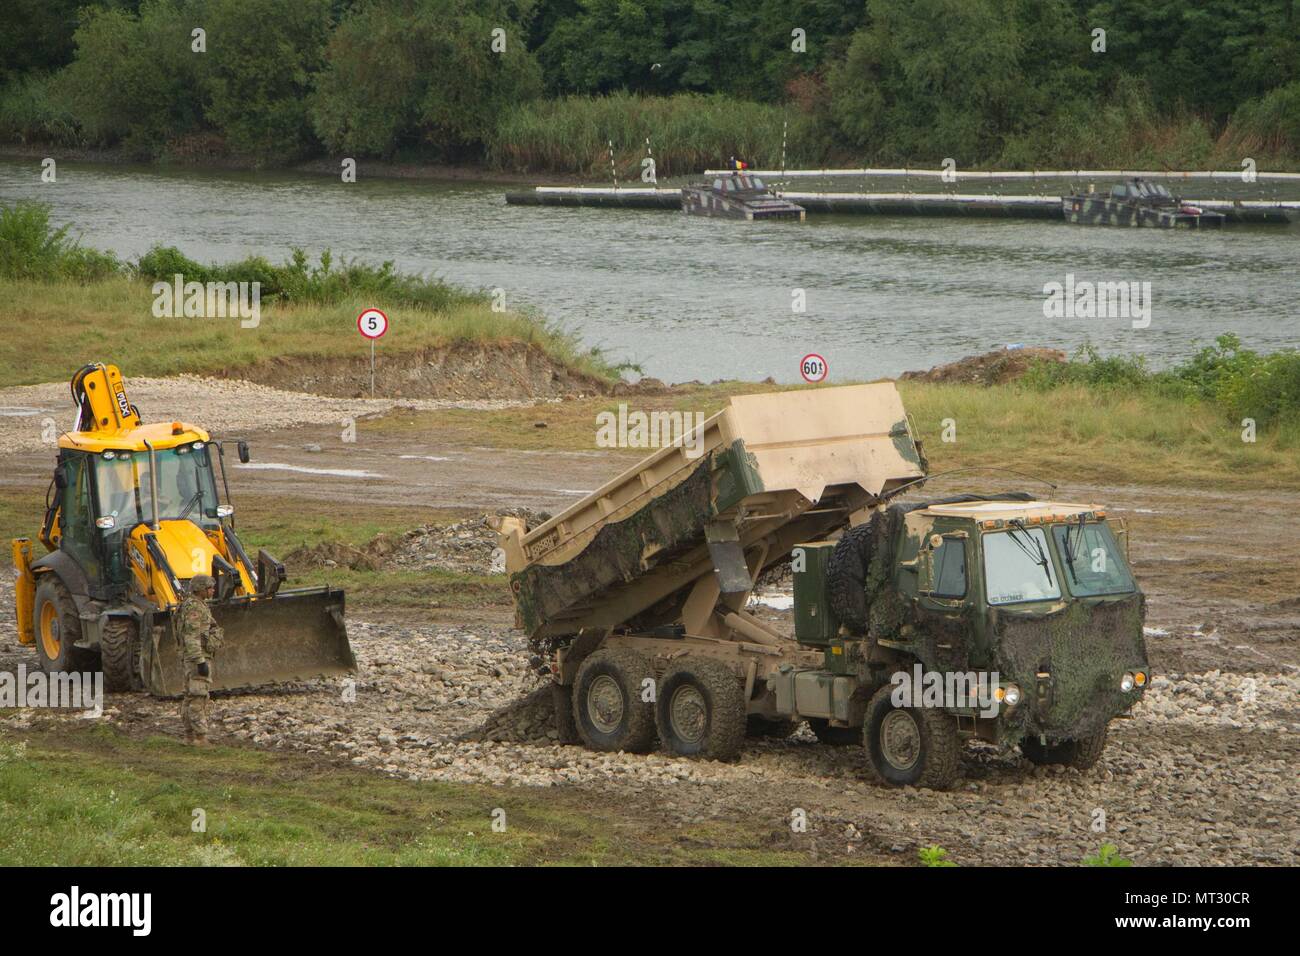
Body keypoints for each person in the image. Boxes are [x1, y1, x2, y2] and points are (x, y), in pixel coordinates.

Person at [177, 573, 223, 745]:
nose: (212, 590)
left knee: (189, 696)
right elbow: (191, 636)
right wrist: (200, 661)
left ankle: (189, 736)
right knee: (198, 696)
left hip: (192, 657)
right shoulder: (195, 609)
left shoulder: (193, 605)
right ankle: (200, 738)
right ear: (200, 589)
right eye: (209, 588)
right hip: (197, 658)